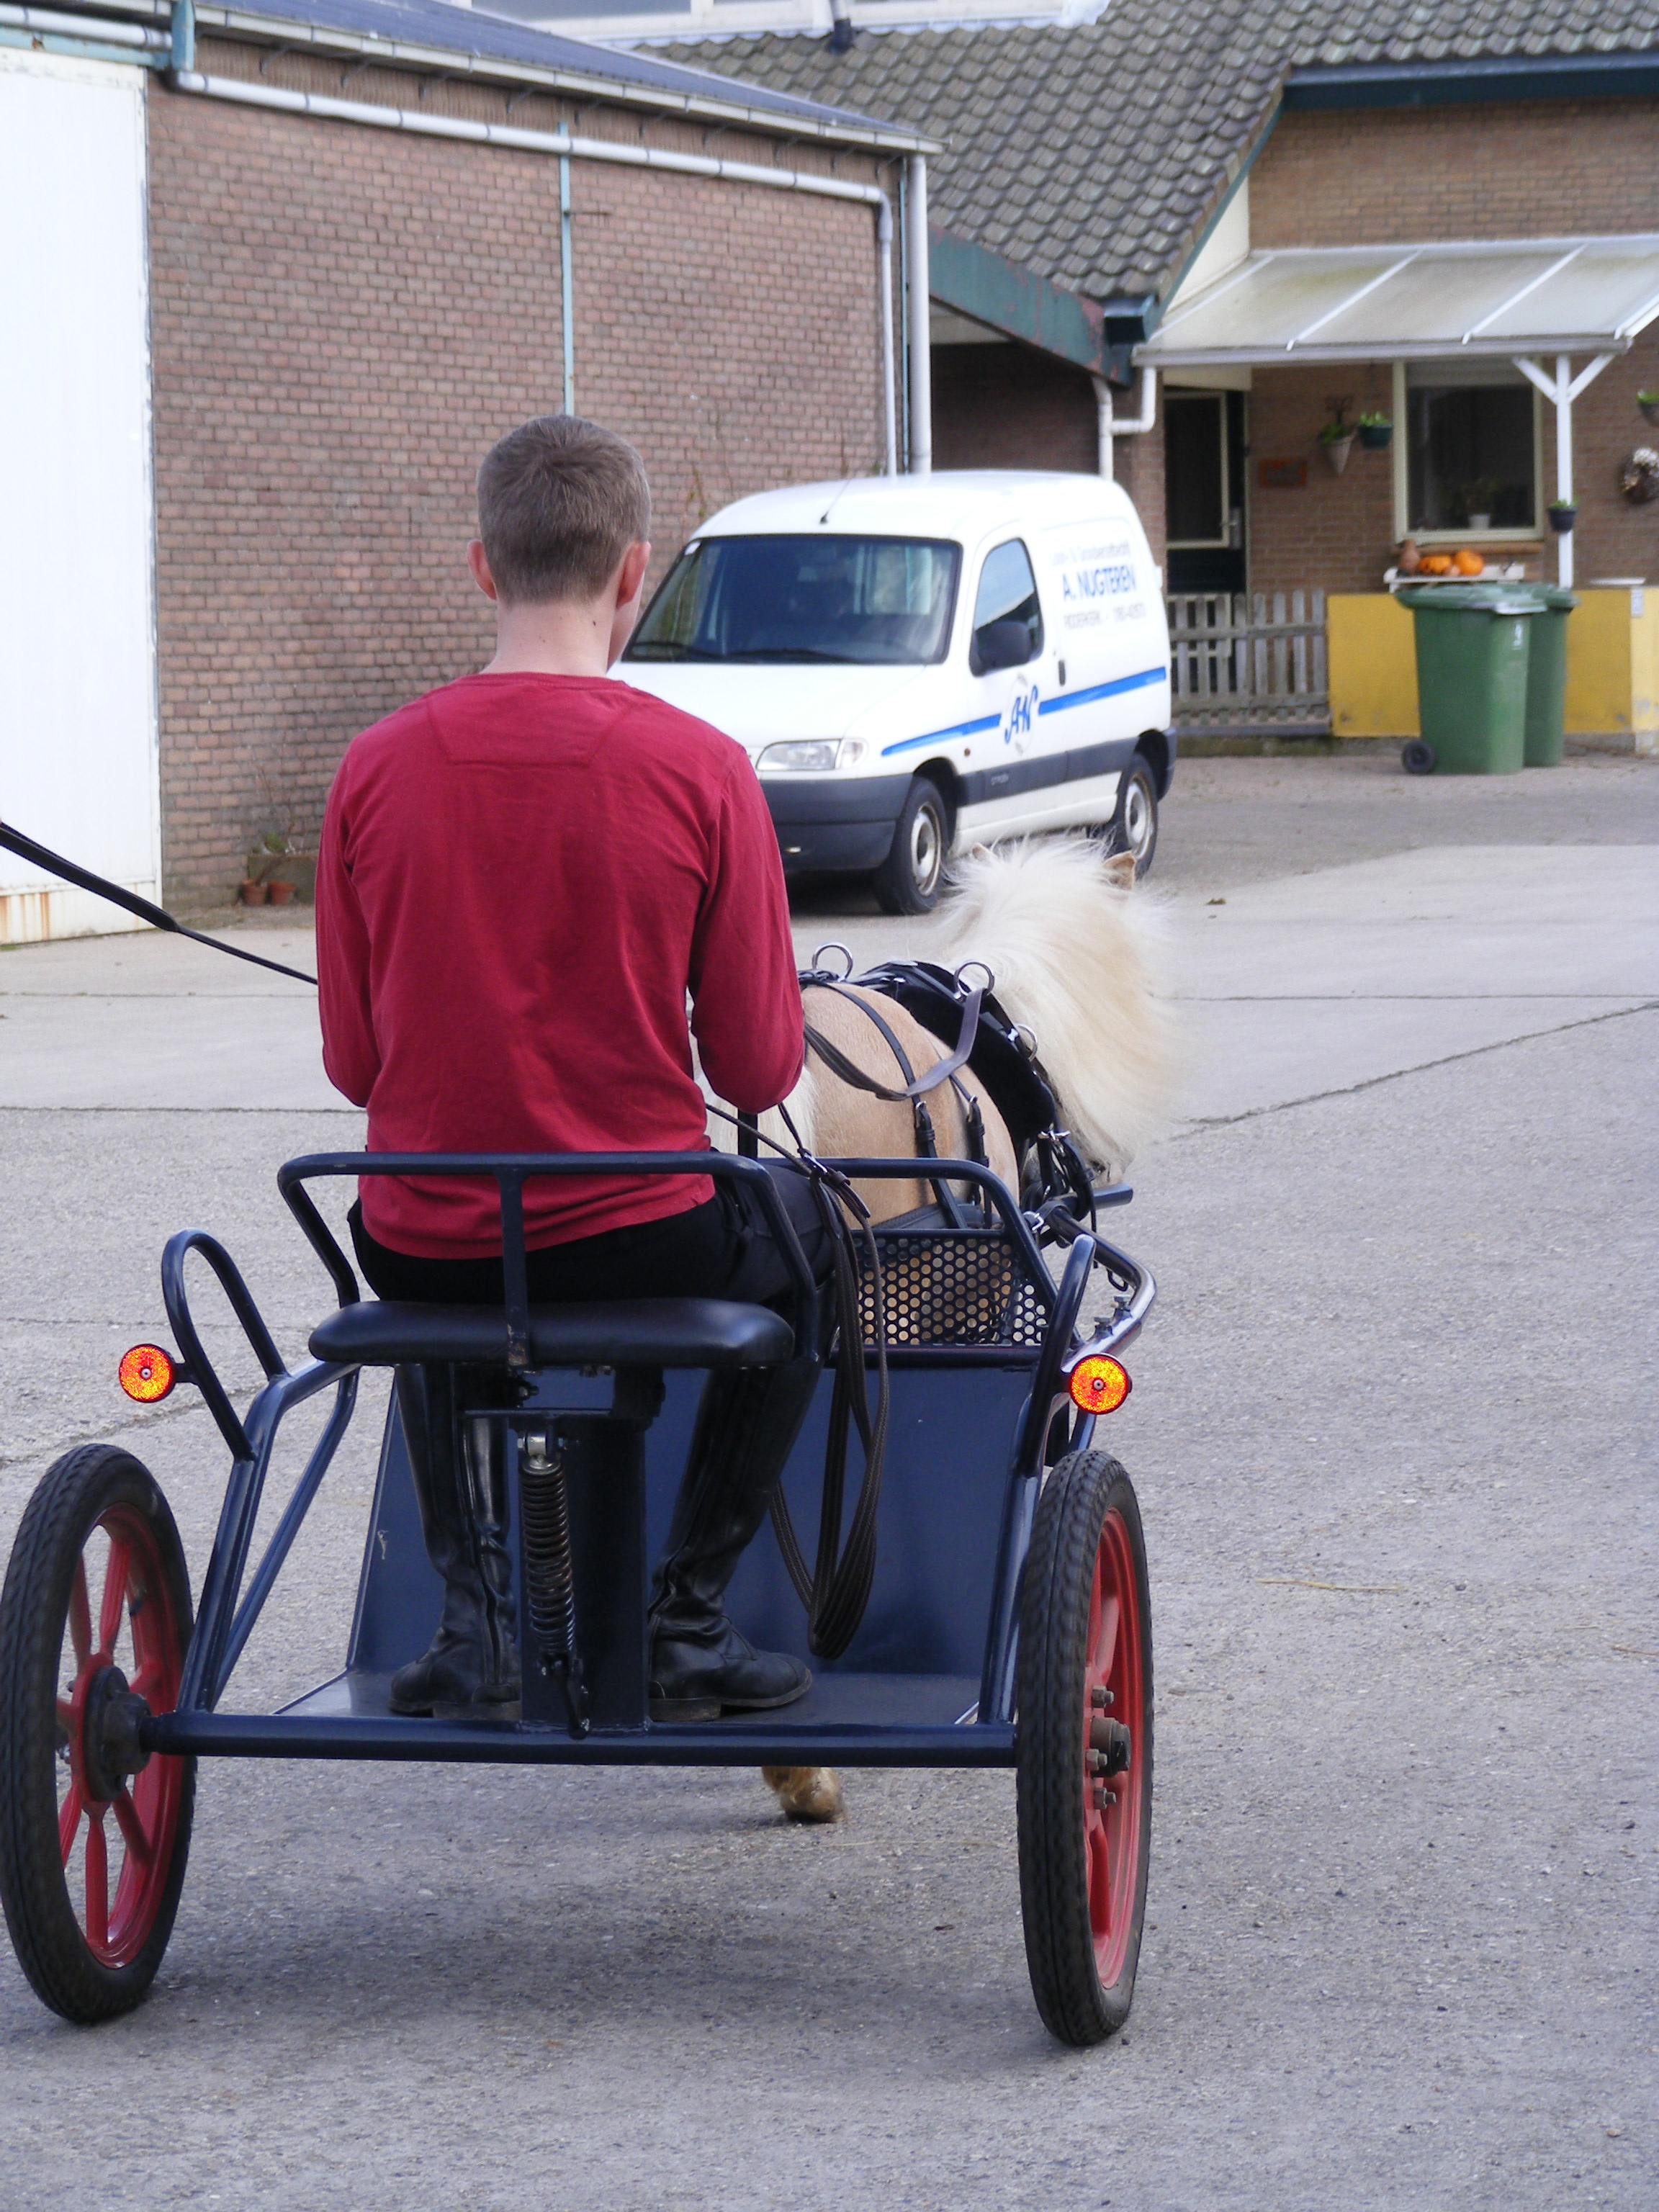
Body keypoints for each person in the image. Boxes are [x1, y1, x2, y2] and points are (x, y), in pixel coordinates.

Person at [315, 414, 832, 1724]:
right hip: (641, 1240)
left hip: (426, 1247)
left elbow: (353, 1062)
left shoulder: (374, 770)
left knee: (432, 1239)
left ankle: (477, 1628)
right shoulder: (702, 770)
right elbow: (763, 1066)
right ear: (634, 574)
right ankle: (686, 1620)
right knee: (816, 1251)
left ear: (484, 569)